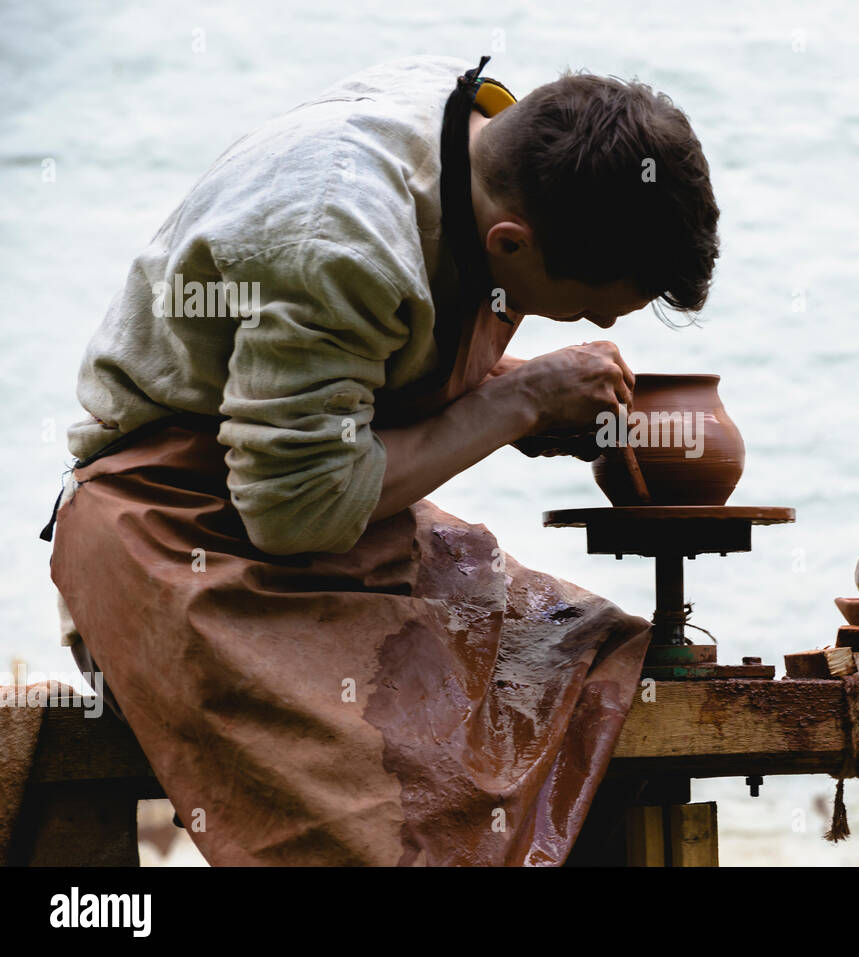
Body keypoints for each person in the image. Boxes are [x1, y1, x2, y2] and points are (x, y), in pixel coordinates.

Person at [43, 54, 720, 865]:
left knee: (586, 671)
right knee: (390, 821)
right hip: (181, 534)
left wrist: (503, 391)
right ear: (510, 240)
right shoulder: (341, 240)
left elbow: (355, 373)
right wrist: (516, 403)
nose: (573, 321)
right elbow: (296, 511)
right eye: (573, 305)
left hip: (314, 505)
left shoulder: (476, 129)